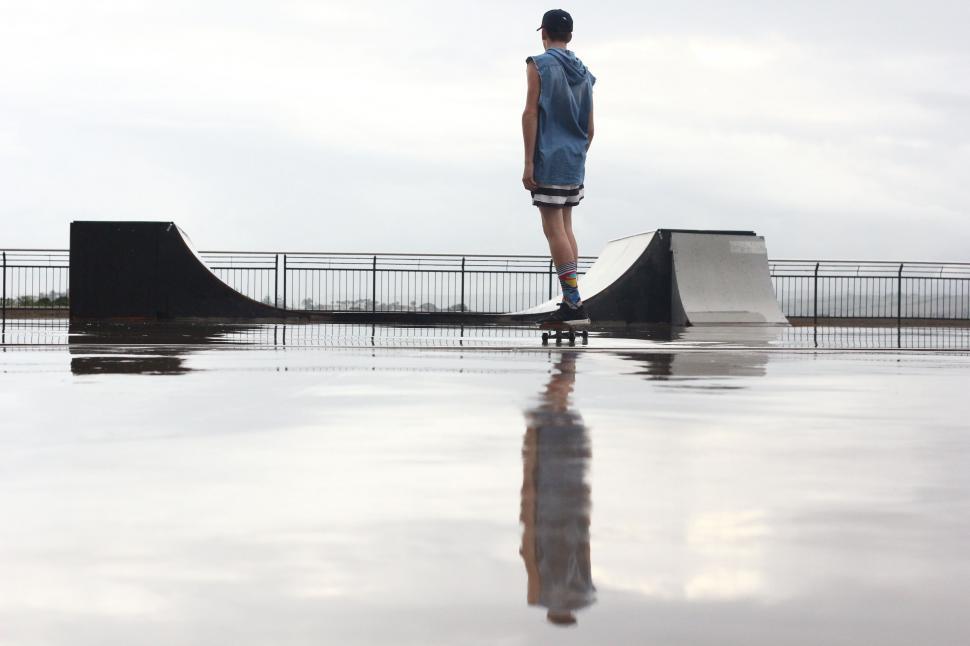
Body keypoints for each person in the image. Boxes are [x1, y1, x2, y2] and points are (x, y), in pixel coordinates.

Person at [522, 9, 595, 326]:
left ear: (544, 33)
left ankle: (574, 304)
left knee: (553, 230)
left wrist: (529, 162)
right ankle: (570, 301)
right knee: (566, 227)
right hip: (574, 159)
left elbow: (531, 113)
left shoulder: (538, 64)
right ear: (570, 35)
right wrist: (576, 153)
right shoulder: (584, 73)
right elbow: (590, 129)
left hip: (549, 156)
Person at [520, 352, 596, 625]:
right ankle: (567, 363)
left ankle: (567, 365)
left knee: (555, 405)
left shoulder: (580, 588)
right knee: (551, 407)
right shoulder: (548, 588)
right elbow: (533, 539)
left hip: (567, 484)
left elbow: (583, 542)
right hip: (551, 483)